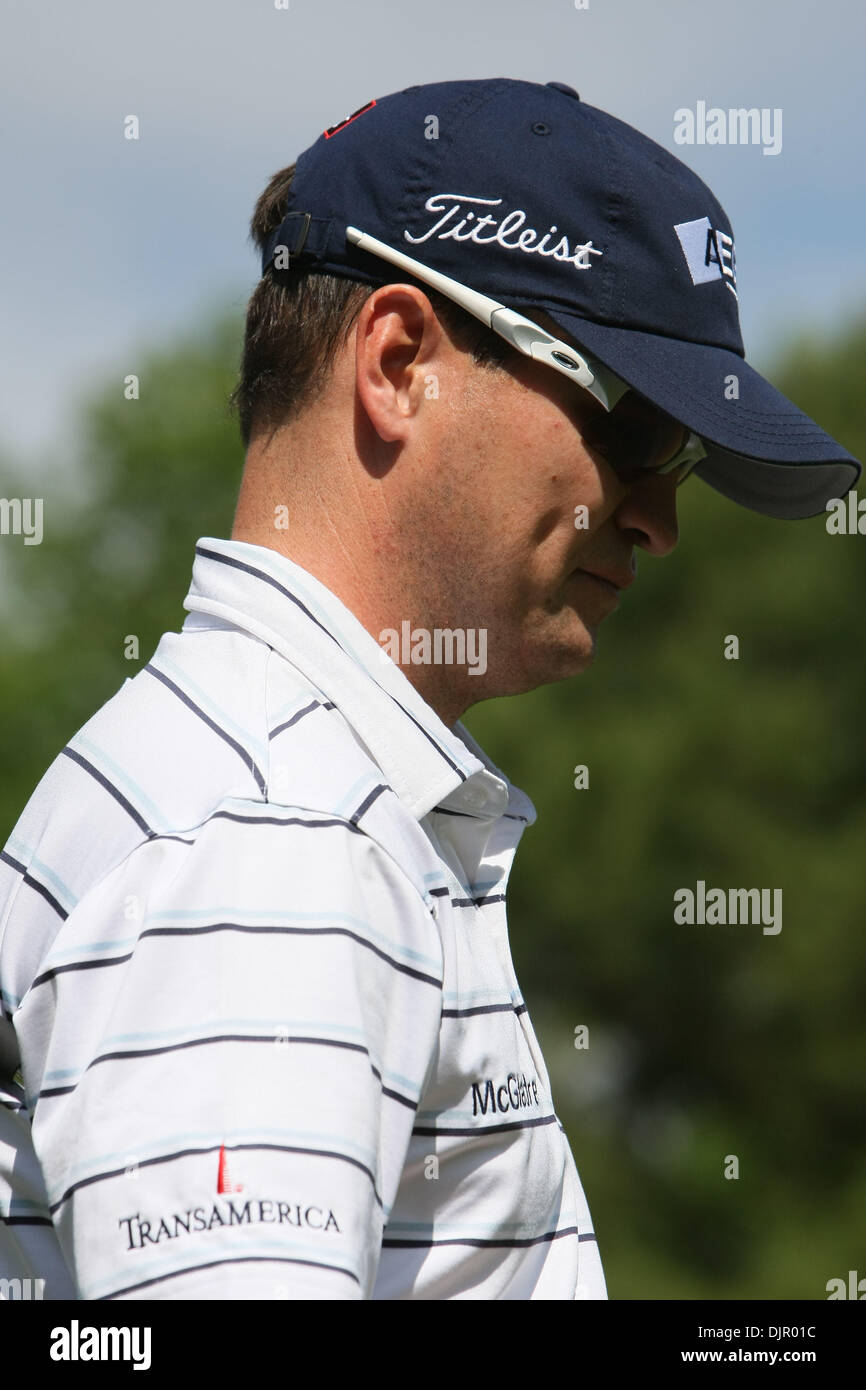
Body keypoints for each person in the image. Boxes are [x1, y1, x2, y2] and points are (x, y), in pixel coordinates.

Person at [0, 77, 859, 1302]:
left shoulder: (282, 792)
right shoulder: (273, 835)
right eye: (631, 426)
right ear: (399, 362)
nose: (664, 516)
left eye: (679, 456)